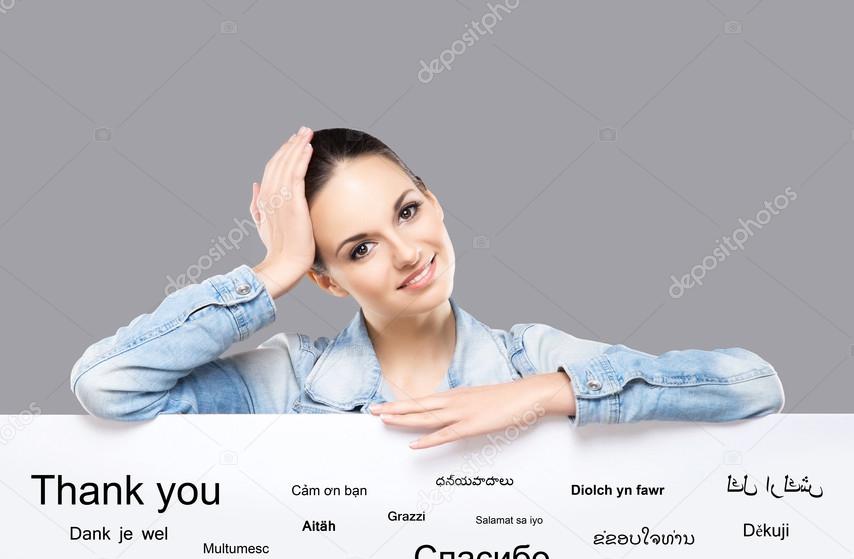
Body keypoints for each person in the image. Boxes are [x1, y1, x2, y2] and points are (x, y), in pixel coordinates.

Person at [70, 126, 784, 449]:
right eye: (360, 248)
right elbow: (108, 385)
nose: (409, 253)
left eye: (408, 211)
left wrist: (544, 392)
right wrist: (271, 272)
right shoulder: (291, 380)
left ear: (434, 200)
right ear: (329, 279)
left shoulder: (529, 358)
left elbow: (753, 384)